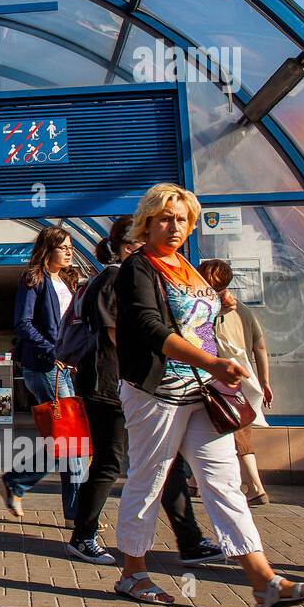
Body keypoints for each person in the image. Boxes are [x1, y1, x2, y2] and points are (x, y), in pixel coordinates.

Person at [112, 183, 304, 607]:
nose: (174, 226)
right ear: (148, 222)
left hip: (202, 394)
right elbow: (150, 329)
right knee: (149, 480)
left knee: (225, 484)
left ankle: (264, 582)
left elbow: (201, 323)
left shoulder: (187, 268)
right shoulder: (139, 268)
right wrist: (212, 364)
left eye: (182, 219)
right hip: (157, 393)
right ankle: (133, 573)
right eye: (165, 218)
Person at [67, 220, 225, 566]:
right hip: (111, 384)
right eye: (145, 242)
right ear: (128, 246)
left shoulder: (129, 277)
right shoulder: (114, 277)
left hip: (131, 383)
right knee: (111, 462)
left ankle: (190, 539)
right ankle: (83, 535)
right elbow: (116, 334)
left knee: (166, 462)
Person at [0, 225, 85, 520]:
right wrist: (53, 350)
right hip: (45, 367)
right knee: (69, 437)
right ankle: (77, 517)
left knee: (66, 438)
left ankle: (17, 483)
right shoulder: (33, 279)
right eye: (64, 247)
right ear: (48, 249)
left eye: (71, 247)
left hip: (65, 368)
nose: (70, 252)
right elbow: (23, 324)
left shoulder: (69, 281)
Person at [198, 258, 272, 505]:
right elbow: (259, 346)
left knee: (236, 433)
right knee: (227, 430)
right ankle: (194, 482)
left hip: (220, 382)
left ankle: (255, 487)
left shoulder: (206, 311)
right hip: (244, 380)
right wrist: (264, 381)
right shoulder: (243, 310)